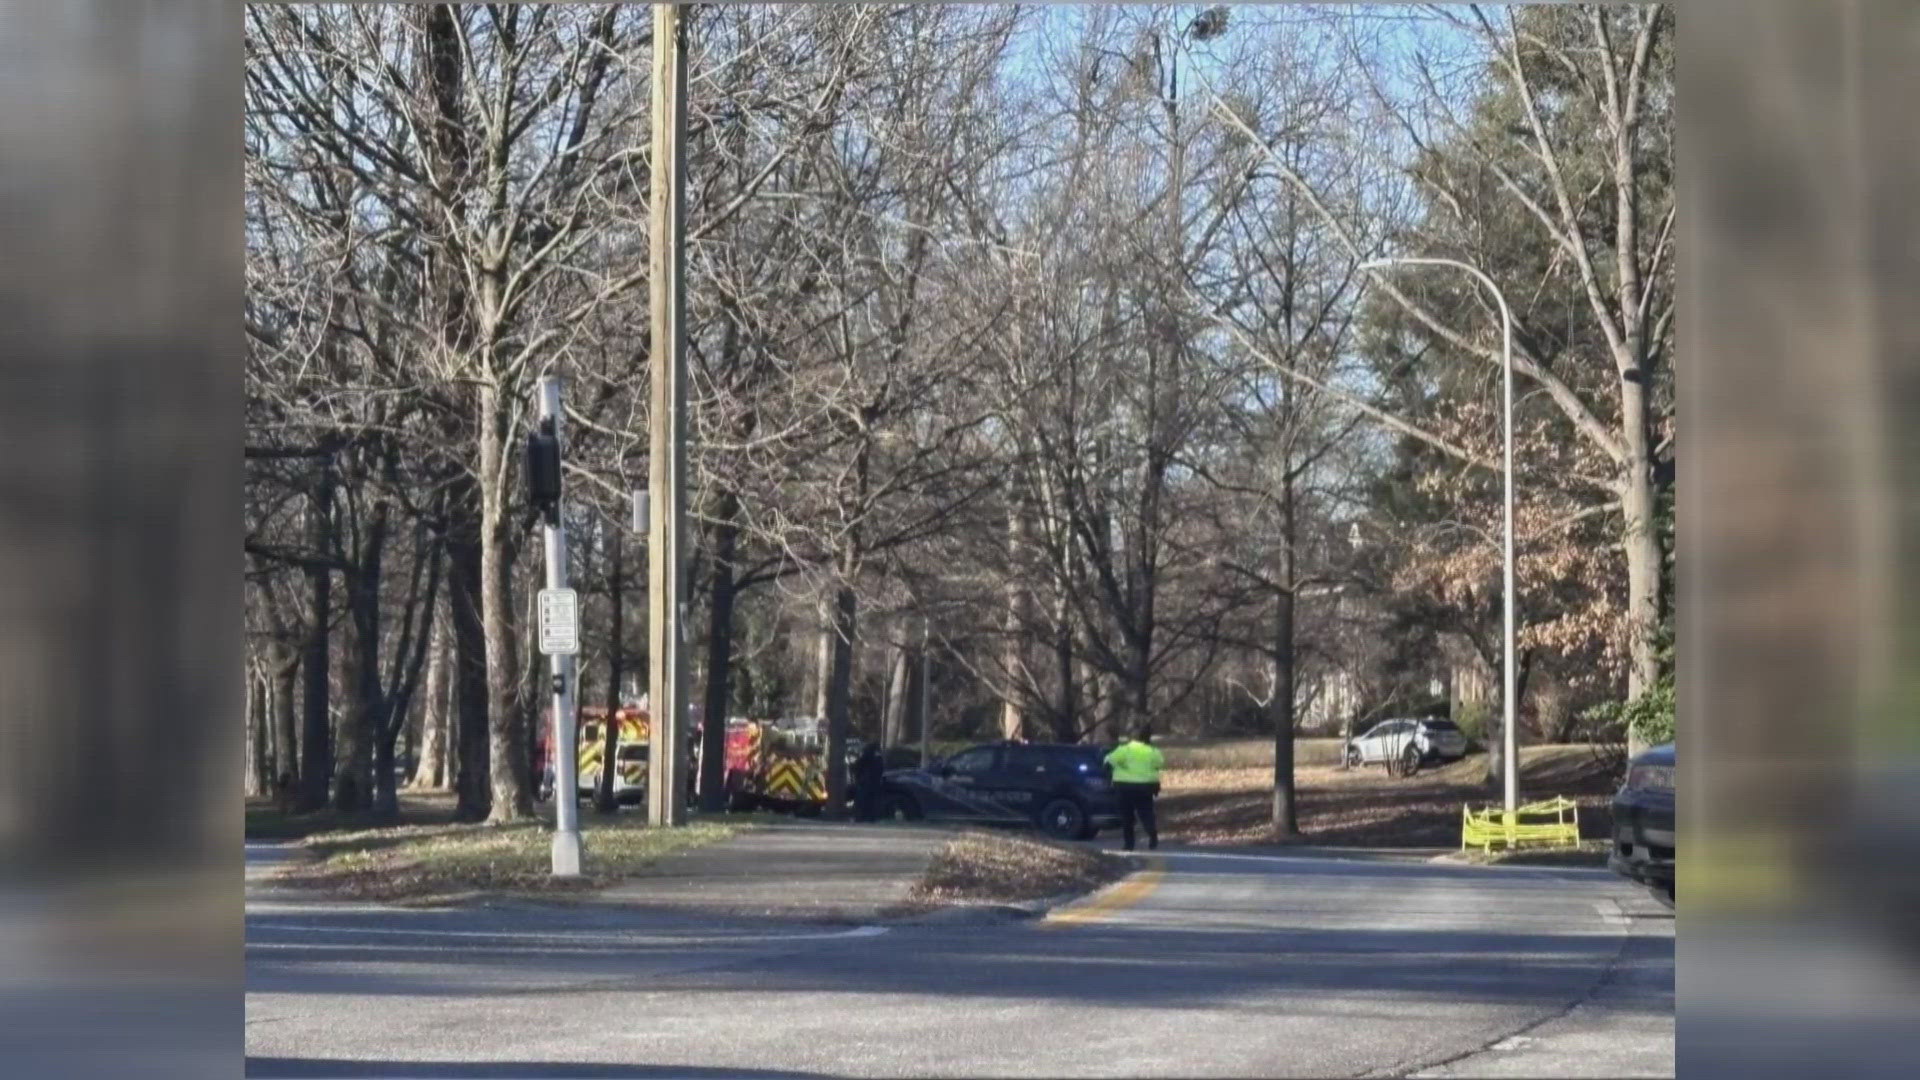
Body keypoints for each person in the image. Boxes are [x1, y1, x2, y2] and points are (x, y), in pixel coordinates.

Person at [1103, 725, 1165, 852]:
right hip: (1145, 786)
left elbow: (1108, 762)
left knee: (1127, 816)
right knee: (1146, 812)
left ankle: (1129, 844)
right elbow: (1159, 763)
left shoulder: (1124, 750)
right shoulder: (1152, 751)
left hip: (1124, 786)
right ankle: (1152, 835)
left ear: (1131, 737)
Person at [852, 742, 887, 822]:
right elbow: (880, 769)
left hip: (864, 782)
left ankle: (861, 817)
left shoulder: (866, 756)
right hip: (874, 782)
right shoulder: (878, 758)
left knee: (862, 801)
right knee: (872, 801)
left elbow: (858, 766)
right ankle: (871, 817)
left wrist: (858, 777)